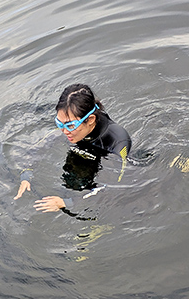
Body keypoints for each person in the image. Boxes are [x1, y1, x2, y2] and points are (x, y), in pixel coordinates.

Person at [14, 83, 131, 213]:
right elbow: (35, 150)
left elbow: (114, 188)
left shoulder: (118, 141)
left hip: (102, 166)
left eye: (70, 126)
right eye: (59, 123)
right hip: (80, 159)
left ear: (91, 119)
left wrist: (66, 203)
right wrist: (26, 175)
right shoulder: (70, 127)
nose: (64, 131)